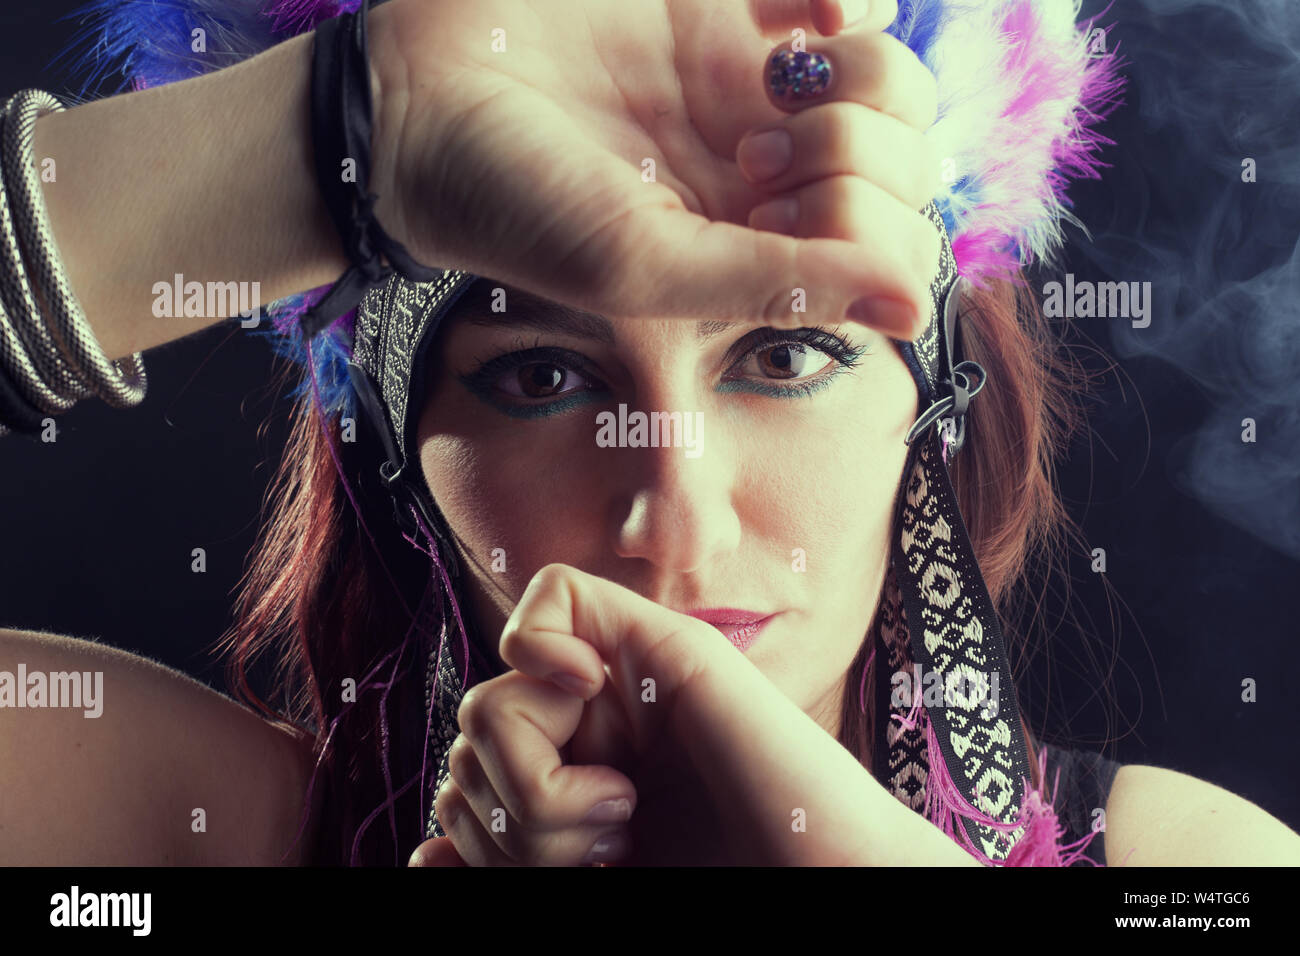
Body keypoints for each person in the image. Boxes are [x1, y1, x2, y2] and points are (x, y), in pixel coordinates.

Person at [1, 0, 1298, 867]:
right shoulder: (170, 829)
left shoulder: (1185, 869)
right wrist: (338, 133)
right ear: (395, 457)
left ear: (936, 408)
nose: (672, 516)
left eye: (785, 355)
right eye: (538, 379)